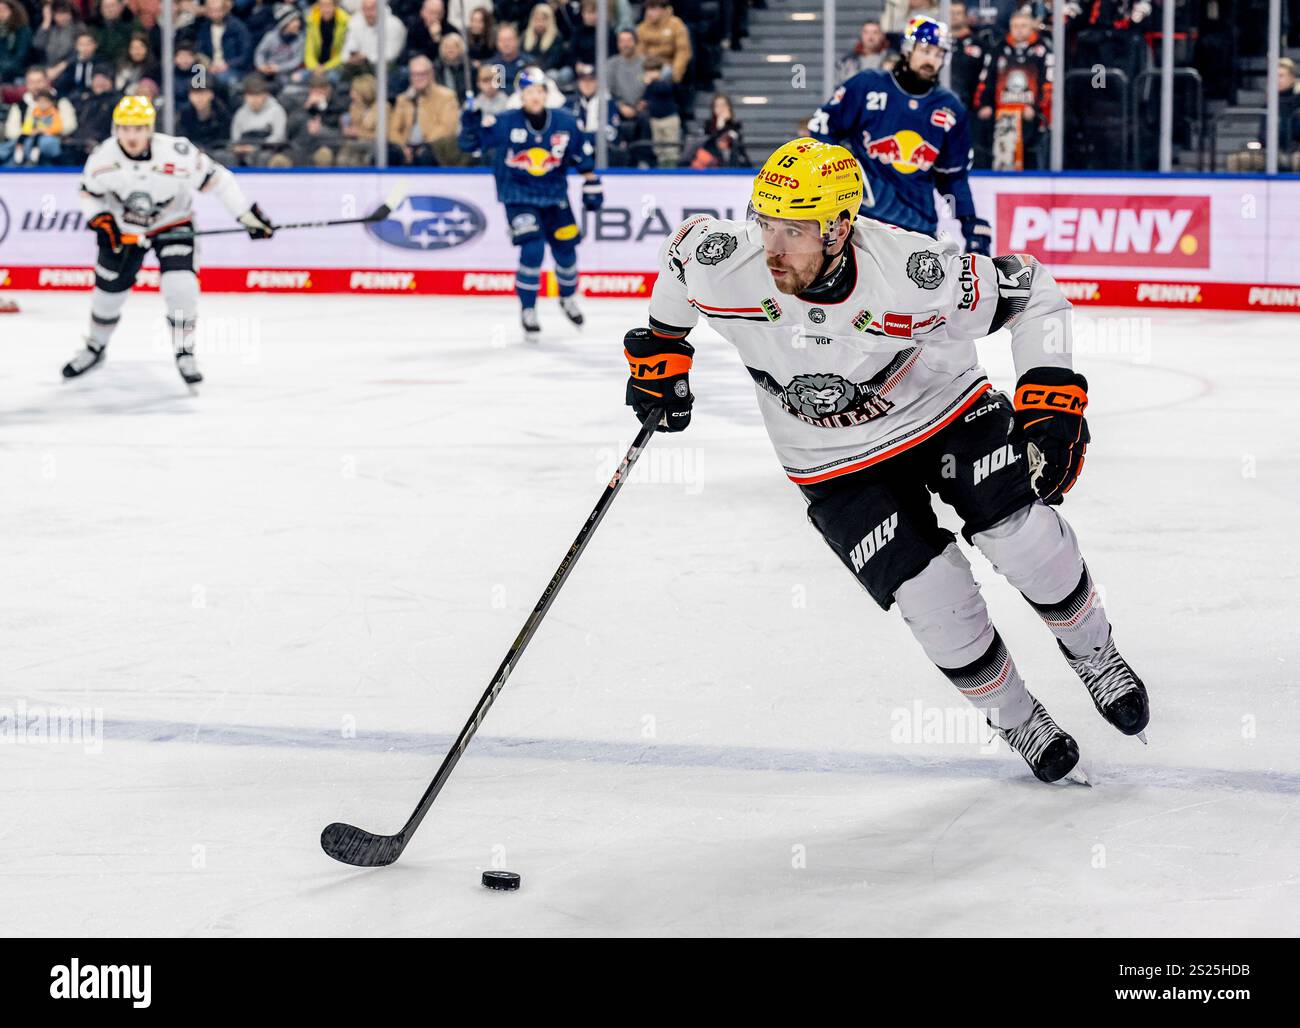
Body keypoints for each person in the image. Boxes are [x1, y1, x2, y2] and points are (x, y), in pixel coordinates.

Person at [625, 137, 1150, 785]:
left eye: (794, 229)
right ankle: (1017, 717)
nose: (773, 247)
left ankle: (1094, 652)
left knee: (1020, 535)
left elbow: (1033, 290)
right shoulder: (723, 264)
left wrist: (1051, 400)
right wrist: (660, 351)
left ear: (841, 227)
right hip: (829, 454)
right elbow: (680, 260)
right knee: (932, 596)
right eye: (764, 223)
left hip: (942, 410)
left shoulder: (913, 273)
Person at [63, 94, 275, 386]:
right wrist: (102, 220)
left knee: (181, 287)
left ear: (149, 128)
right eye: (125, 128)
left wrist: (245, 215)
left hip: (172, 223)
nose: (131, 135)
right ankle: (95, 347)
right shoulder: (103, 158)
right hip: (125, 231)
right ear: (116, 129)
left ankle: (184, 352)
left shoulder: (178, 153)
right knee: (107, 294)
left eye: (138, 128)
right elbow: (88, 192)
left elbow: (219, 180)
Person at [810, 16, 990, 256]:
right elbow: (822, 127)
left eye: (939, 54)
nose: (931, 60)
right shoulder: (867, 86)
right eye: (925, 51)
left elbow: (952, 177)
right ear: (908, 49)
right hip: (863, 223)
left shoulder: (950, 109)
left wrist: (969, 221)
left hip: (917, 228)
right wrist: (844, 171)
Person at [458, 66, 603, 339]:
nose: (534, 97)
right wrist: (469, 122)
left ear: (546, 94)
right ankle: (528, 309)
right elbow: (470, 145)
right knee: (533, 249)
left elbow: (581, 156)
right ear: (521, 96)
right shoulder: (505, 122)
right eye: (528, 92)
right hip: (518, 195)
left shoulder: (565, 122)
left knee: (566, 251)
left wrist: (591, 181)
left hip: (555, 196)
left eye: (539, 91)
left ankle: (568, 297)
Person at [971, 8, 1052, 172]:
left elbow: (1048, 84)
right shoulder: (998, 48)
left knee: (1031, 149)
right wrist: (985, 104)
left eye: (1023, 25)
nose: (1019, 30)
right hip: (1002, 114)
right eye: (1015, 26)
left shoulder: (1043, 50)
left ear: (1031, 27)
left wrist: (1037, 109)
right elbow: (986, 79)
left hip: (1030, 114)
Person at [1, 65, 78, 163]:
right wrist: (30, 133)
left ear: (47, 82)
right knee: (16, 151)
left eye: (39, 81)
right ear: (26, 84)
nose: (36, 86)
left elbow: (70, 125)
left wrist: (46, 131)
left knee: (46, 143)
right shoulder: (19, 106)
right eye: (31, 82)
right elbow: (11, 132)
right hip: (23, 143)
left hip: (52, 143)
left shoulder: (60, 102)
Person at [304, 0, 350, 74]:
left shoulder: (345, 22)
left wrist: (325, 68)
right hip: (316, 66)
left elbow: (344, 53)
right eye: (323, 6)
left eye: (329, 5)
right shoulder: (312, 21)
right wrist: (315, 67)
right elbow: (309, 51)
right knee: (299, 77)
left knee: (332, 77)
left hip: (337, 66)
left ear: (335, 6)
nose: (326, 10)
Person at [0, 0, 32, 83]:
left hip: (18, 71)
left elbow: (21, 56)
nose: (1, 14)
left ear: (13, 11)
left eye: (4, 10)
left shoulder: (23, 31)